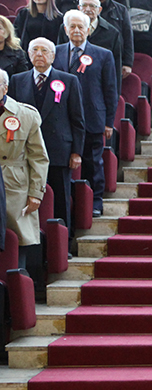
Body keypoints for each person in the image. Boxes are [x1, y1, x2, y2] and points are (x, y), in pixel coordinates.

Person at [10, 37, 85, 241]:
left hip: (59, 151)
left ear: (53, 56)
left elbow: (77, 119)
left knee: (60, 199)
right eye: (35, 50)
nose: (40, 54)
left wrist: (76, 152)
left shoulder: (69, 80)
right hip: (26, 153)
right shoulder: (18, 80)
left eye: (45, 50)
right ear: (28, 54)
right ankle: (33, 244)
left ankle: (64, 244)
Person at [52, 10, 117, 216]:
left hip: (93, 118)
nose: (77, 30)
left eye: (81, 26)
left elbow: (110, 90)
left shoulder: (103, 55)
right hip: (62, 121)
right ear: (65, 29)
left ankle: (95, 202)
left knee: (93, 163)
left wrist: (108, 122)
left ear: (89, 30)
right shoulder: (55, 52)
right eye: (72, 26)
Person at [0, 69, 48, 294]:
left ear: (5, 88)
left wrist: (36, 193)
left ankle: (16, 296)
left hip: (14, 184)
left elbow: (38, 157)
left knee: (17, 240)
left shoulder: (26, 114)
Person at [67, 0, 123, 93]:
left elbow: (116, 68)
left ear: (100, 10)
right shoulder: (66, 28)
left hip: (96, 88)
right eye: (84, 5)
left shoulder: (112, 32)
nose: (87, 9)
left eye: (92, 6)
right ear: (78, 7)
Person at [90, 0, 134, 78]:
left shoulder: (121, 10)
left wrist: (128, 63)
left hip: (114, 59)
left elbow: (128, 37)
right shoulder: (83, 13)